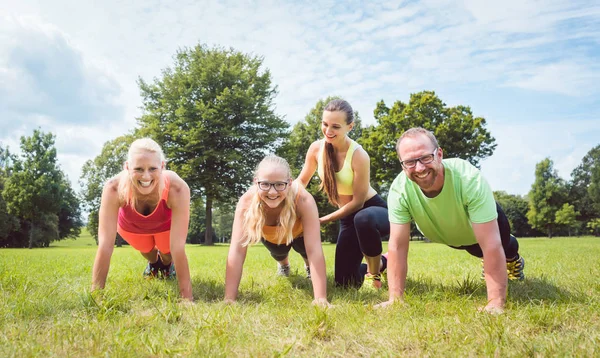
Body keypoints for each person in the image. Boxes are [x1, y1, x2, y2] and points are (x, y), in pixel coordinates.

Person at [379, 127, 525, 313]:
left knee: (504, 247)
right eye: (410, 162)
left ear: (439, 154)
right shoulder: (399, 189)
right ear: (402, 165)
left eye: (426, 158)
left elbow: (490, 244)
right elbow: (397, 247)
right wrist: (395, 299)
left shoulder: (468, 179)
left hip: (480, 228)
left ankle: (513, 260)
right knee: (477, 251)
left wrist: (495, 303)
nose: (420, 168)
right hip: (449, 235)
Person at [297, 99, 390, 289]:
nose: (328, 131)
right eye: (325, 124)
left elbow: (357, 203)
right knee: (344, 283)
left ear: (350, 126)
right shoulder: (316, 149)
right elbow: (301, 182)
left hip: (372, 211)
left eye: (335, 126)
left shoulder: (358, 155)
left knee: (362, 218)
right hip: (347, 218)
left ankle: (374, 275)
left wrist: (322, 219)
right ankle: (383, 262)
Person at [91, 138, 193, 301]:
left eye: (152, 168)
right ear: (127, 167)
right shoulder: (113, 188)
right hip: (131, 227)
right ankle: (153, 264)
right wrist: (96, 296)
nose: (146, 176)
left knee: (168, 253)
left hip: (165, 226)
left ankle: (167, 266)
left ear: (162, 166)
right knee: (148, 252)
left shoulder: (177, 188)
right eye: (138, 169)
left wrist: (186, 299)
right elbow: (105, 245)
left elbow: (178, 247)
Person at [225, 155, 330, 306]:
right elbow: (237, 250)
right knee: (278, 251)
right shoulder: (246, 202)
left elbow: (314, 249)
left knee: (305, 249)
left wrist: (320, 298)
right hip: (273, 238)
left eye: (279, 184)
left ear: (289, 183)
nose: (272, 192)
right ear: (256, 182)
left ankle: (308, 267)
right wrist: (229, 299)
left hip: (299, 234)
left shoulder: (303, 199)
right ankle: (283, 265)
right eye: (265, 184)